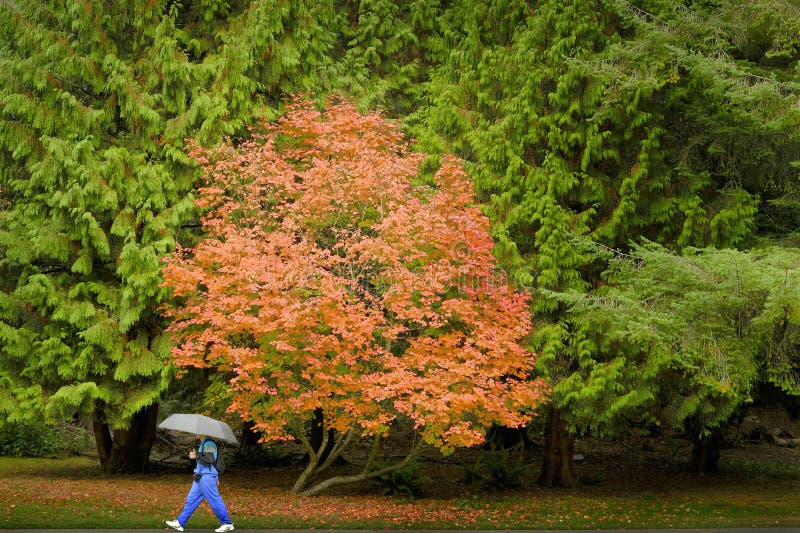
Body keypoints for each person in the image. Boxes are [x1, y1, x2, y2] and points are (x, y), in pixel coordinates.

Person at [166, 435, 234, 532]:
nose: (197, 433)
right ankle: (180, 523)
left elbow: (209, 460)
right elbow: (206, 460)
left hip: (207, 477)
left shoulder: (209, 443)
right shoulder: (203, 443)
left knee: (214, 500)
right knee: (191, 500)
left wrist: (196, 456)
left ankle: (227, 523)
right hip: (200, 476)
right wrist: (197, 455)